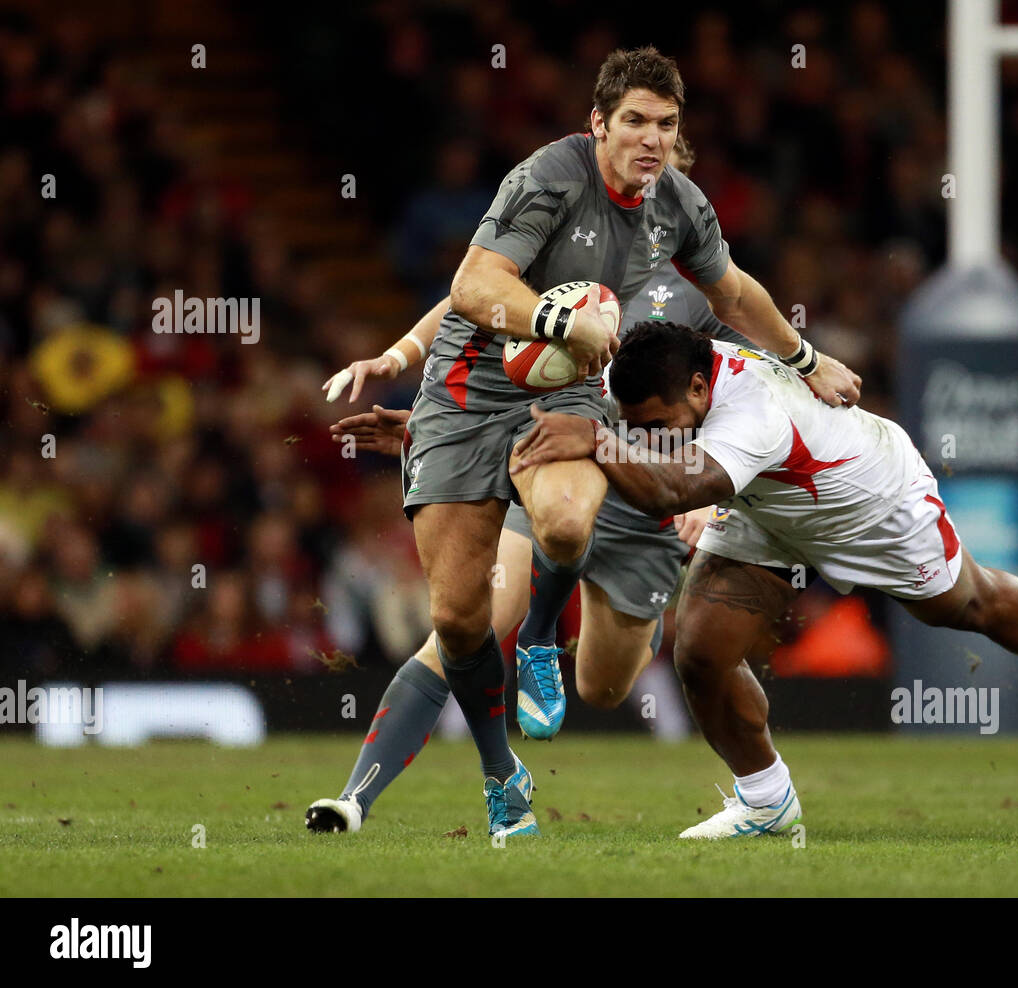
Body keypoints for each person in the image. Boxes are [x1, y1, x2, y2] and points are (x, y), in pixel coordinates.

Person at [307, 46, 859, 840]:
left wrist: (797, 369)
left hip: (644, 489)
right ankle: (447, 751)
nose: (651, 141)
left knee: (604, 687)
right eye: (635, 123)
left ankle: (548, 637)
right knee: (465, 619)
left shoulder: (686, 242)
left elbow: (737, 320)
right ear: (599, 125)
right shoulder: (554, 196)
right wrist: (401, 361)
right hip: (558, 420)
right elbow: (473, 293)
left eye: (665, 126)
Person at [511, 322, 1018, 839]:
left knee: (965, 605)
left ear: (700, 387)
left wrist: (597, 440)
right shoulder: (659, 375)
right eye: (638, 426)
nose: (652, 435)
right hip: (766, 508)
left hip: (870, 504)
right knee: (699, 652)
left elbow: (672, 490)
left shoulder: (753, 412)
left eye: (661, 423)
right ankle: (766, 802)